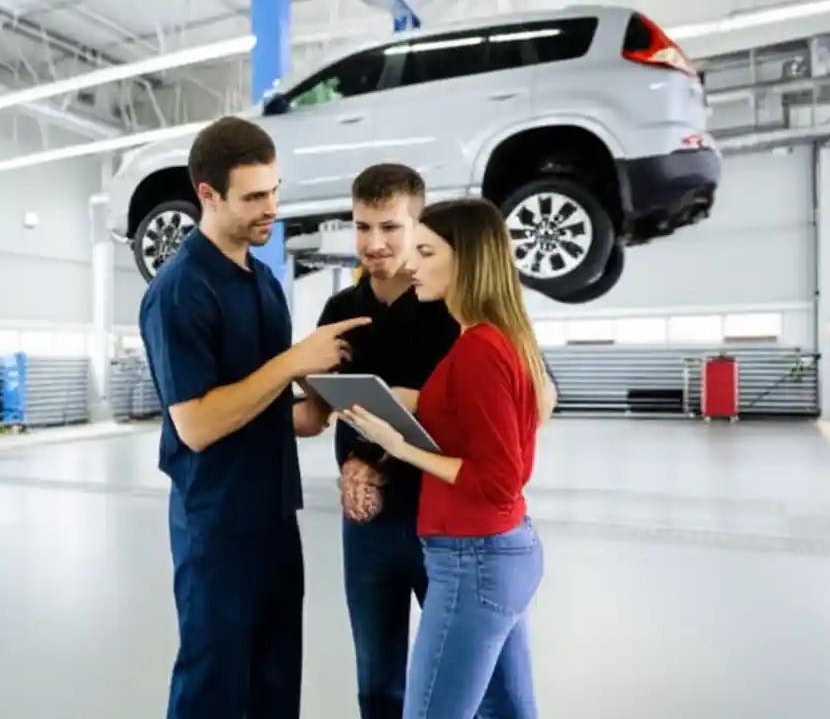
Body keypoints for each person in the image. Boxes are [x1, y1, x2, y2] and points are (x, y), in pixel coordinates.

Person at [138, 115, 371, 719]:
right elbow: (195, 424)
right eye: (254, 196)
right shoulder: (180, 290)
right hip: (216, 526)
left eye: (275, 190)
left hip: (273, 514)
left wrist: (315, 406)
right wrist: (293, 361)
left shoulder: (264, 281)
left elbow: (262, 409)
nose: (272, 207)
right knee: (214, 686)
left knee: (274, 681)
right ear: (207, 195)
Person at [340, 198, 557, 718]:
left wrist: (401, 449)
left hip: (473, 558)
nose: (410, 264)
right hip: (500, 549)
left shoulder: (479, 348)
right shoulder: (496, 339)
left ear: (466, 260)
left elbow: (499, 478)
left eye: (426, 251)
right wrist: (412, 404)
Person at [293, 164, 458, 719]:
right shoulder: (339, 313)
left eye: (390, 227)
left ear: (418, 224)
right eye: (363, 227)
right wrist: (295, 377)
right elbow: (314, 411)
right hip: (365, 522)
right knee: (376, 680)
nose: (374, 243)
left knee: (456, 677)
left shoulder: (450, 306)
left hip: (441, 516)